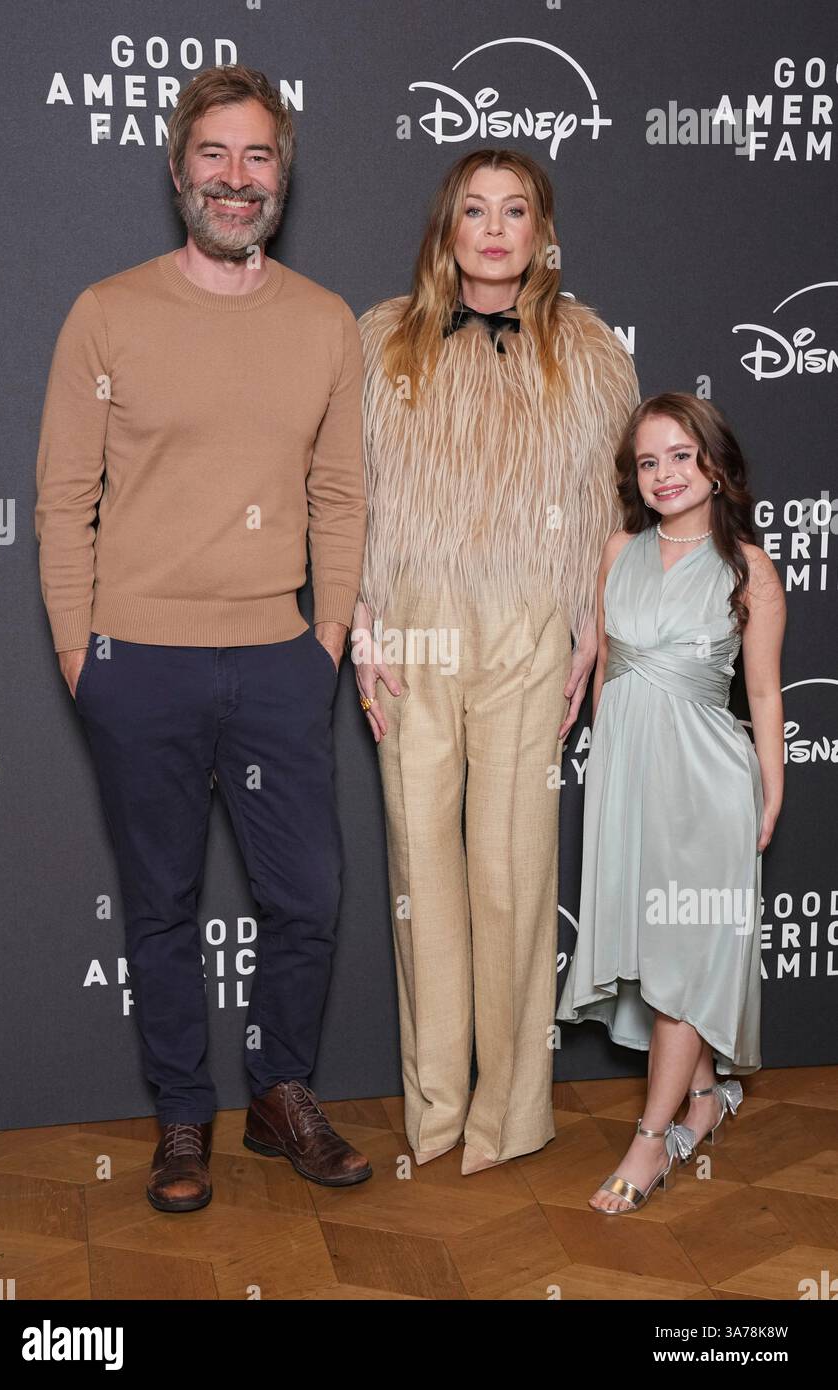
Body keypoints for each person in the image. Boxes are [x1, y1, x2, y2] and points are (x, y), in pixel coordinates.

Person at [34, 64, 371, 1211]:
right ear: (179, 168)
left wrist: (321, 634)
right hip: (138, 662)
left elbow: (339, 494)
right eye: (215, 156)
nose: (237, 179)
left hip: (278, 661)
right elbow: (61, 495)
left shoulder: (325, 320)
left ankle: (281, 1093)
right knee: (163, 902)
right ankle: (184, 1114)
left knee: (309, 896)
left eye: (258, 157)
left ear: (282, 173)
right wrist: (83, 656)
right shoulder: (106, 311)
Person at [351, 149, 640, 1174]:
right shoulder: (378, 342)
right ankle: (432, 1112)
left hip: (528, 628)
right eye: (473, 209)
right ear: (447, 227)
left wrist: (595, 624)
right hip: (412, 627)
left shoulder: (594, 353)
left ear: (539, 230)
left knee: (514, 871)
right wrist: (358, 622)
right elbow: (346, 498)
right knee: (418, 872)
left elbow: (616, 510)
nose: (492, 227)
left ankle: (510, 1115)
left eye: (513, 210)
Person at [556, 392, 785, 1213]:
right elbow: (604, 667)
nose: (664, 474)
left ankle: (650, 1143)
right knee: (660, 954)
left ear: (716, 464)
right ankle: (706, 1096)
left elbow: (762, 692)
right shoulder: (618, 548)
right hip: (629, 784)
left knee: (685, 956)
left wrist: (771, 792)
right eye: (648, 461)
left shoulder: (749, 568)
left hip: (707, 787)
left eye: (682, 455)